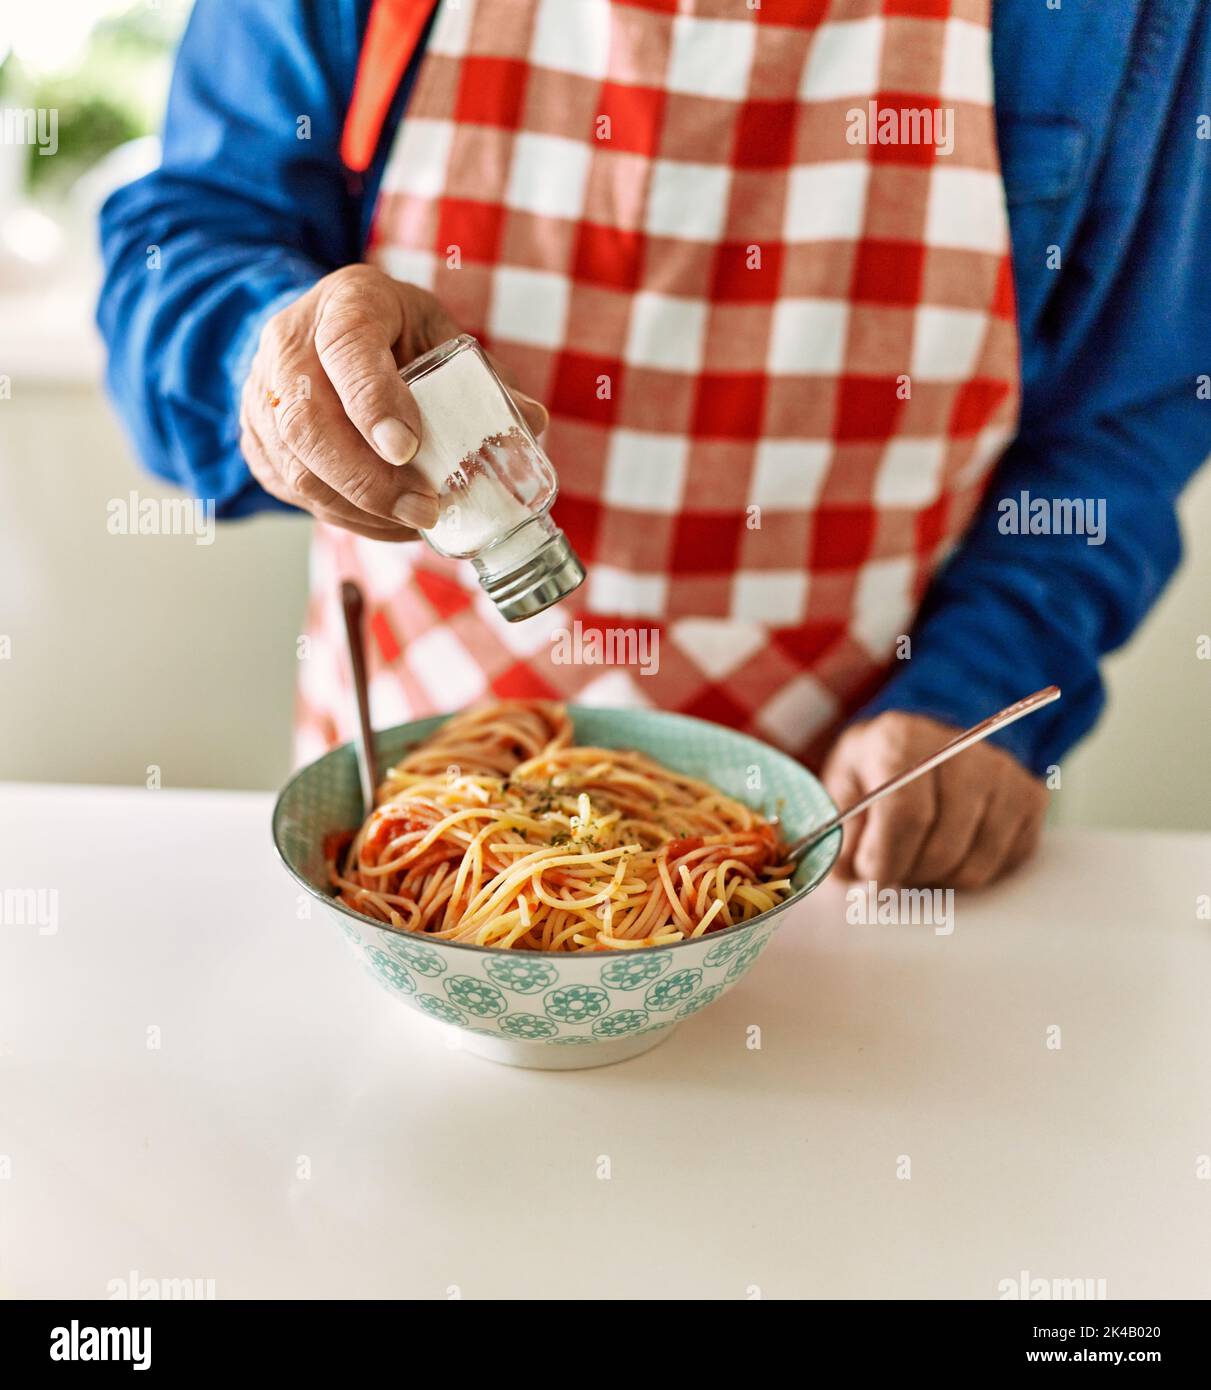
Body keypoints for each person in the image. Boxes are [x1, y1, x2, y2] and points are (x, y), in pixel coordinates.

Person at [97, 0, 1211, 889]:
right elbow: (190, 234)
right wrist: (269, 362)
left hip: (855, 850)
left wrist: (984, 682)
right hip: (410, 824)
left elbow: (1123, 413)